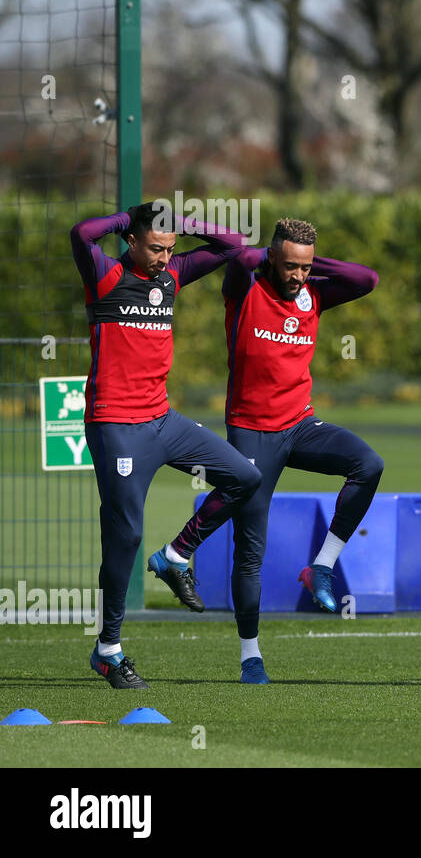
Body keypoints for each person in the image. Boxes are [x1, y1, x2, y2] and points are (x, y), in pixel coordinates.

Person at [73, 202, 262, 689]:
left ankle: (176, 556)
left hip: (163, 420)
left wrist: (182, 221)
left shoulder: (172, 275)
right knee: (125, 535)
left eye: (170, 249)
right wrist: (124, 217)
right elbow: (81, 234)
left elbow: (234, 245)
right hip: (116, 425)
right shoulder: (106, 274)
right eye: (154, 248)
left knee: (245, 476)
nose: (163, 258)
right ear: (131, 241)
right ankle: (109, 650)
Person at [188, 218, 382, 684]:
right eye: (290, 265)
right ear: (272, 258)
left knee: (368, 464)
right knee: (250, 551)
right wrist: (269, 255)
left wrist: (309, 267)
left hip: (300, 426)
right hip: (252, 434)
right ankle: (249, 655)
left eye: (306, 267)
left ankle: (321, 566)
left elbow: (366, 279)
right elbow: (238, 256)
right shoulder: (245, 291)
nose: (298, 276)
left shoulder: (313, 293)